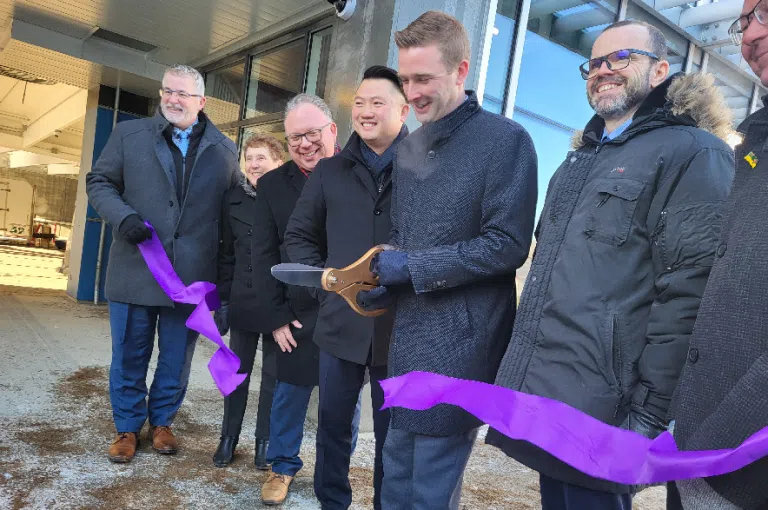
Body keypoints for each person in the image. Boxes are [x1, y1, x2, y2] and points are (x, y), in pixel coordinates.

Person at [487, 20, 735, 510]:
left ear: (660, 70)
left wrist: (647, 416)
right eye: (594, 63)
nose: (603, 70)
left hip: (610, 407)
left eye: (621, 58)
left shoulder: (694, 153)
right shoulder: (580, 159)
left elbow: (690, 294)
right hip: (554, 394)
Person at [361, 11, 538, 510]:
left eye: (423, 79)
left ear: (461, 72)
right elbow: (405, 235)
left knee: (430, 486)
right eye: (405, 79)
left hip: (462, 344)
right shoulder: (409, 148)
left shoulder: (506, 141)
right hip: (408, 338)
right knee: (394, 473)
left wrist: (412, 270)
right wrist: (385, 275)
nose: (411, 92)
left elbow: (506, 244)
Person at [85, 64, 241, 463]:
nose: (173, 99)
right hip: (136, 269)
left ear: (202, 102)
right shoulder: (128, 135)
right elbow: (99, 182)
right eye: (168, 91)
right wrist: (123, 217)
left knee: (176, 356)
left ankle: (162, 423)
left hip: (190, 280)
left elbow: (229, 216)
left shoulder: (225, 151)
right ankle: (126, 428)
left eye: (183, 94)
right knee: (129, 354)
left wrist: (224, 286)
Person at [285, 65, 409, 510]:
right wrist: (329, 284)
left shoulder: (427, 170)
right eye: (359, 102)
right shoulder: (329, 171)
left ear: (403, 108)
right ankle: (331, 502)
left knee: (394, 439)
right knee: (333, 429)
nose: (365, 111)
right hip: (339, 327)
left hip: (401, 330)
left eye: (378, 102)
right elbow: (299, 236)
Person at [667, 1, 768, 508]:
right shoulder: (752, 147)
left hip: (741, 460)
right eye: (743, 21)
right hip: (701, 441)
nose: (749, 34)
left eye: (764, 13)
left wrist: (715, 443)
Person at [252, 94, 359, 506]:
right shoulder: (273, 185)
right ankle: (282, 467)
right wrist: (276, 317)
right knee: (289, 395)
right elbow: (262, 254)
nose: (304, 143)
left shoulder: (357, 174)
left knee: (343, 403)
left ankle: (336, 472)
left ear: (332, 131)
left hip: (347, 311)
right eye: (295, 136)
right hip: (295, 314)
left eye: (312, 133)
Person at [212, 134, 284, 469]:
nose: (254, 165)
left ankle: (264, 443)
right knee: (236, 374)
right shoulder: (232, 200)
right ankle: (228, 438)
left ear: (278, 161)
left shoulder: (291, 197)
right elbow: (225, 255)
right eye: (249, 158)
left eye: (261, 158)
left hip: (277, 305)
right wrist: (222, 301)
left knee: (272, 376)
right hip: (241, 299)